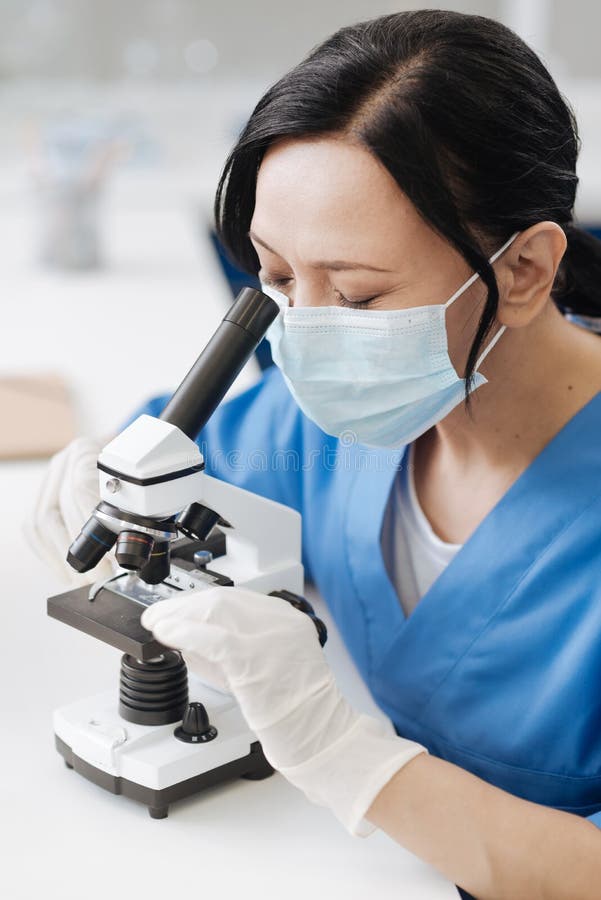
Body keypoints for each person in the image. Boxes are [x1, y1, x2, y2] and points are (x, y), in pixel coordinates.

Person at [27, 10, 601, 899]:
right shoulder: (325, 424)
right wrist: (101, 475)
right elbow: (185, 458)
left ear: (522, 270)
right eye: (279, 278)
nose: (305, 334)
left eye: (360, 297)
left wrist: (346, 756)